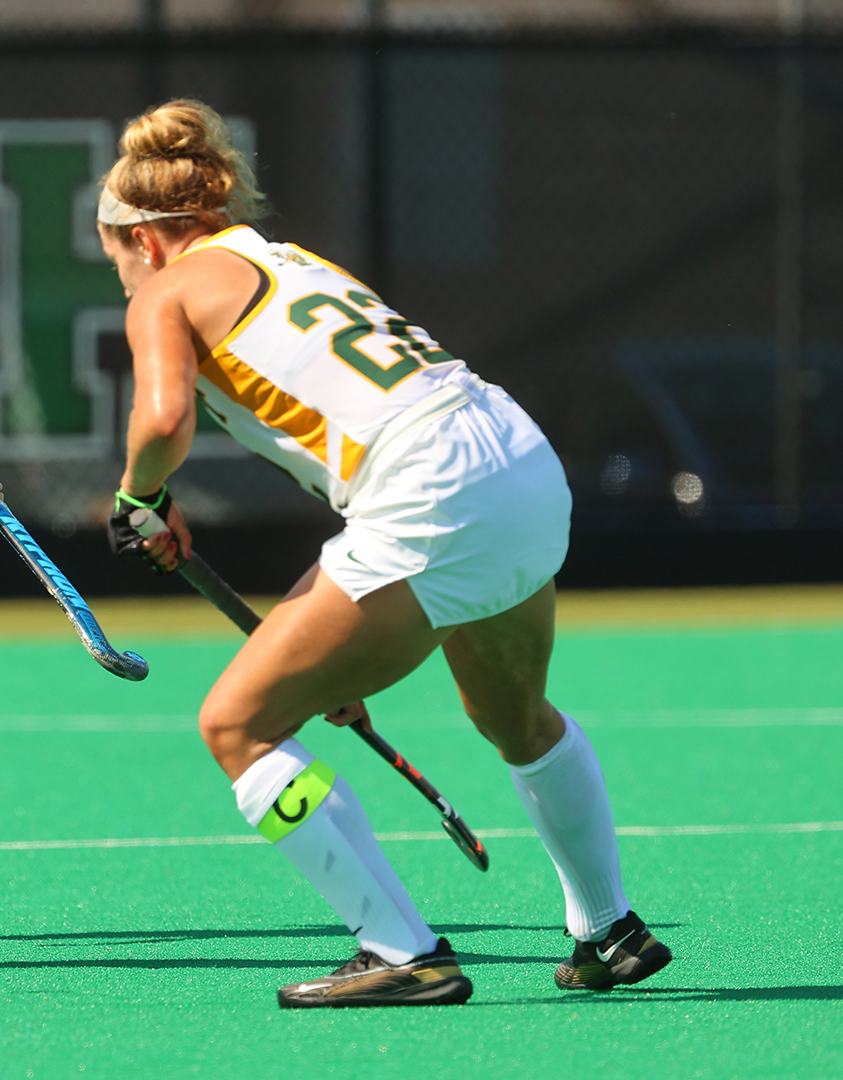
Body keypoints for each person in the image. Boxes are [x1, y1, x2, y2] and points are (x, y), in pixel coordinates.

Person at [98, 100, 671, 1006]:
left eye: (117, 261)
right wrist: (330, 651)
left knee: (236, 726)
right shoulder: (279, 257)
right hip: (515, 456)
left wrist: (138, 498)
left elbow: (161, 419)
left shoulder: (168, 288)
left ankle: (402, 951)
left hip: (431, 491)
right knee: (514, 716)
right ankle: (609, 927)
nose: (125, 283)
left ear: (145, 240)